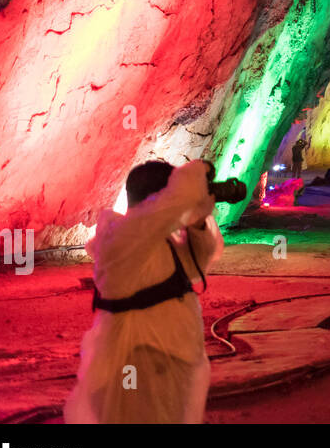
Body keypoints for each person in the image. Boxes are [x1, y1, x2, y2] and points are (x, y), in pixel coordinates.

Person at [65, 159, 222, 424]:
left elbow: (196, 266)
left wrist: (197, 223)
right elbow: (170, 204)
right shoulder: (123, 238)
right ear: (160, 199)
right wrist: (195, 179)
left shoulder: (159, 240)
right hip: (136, 365)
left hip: (170, 362)